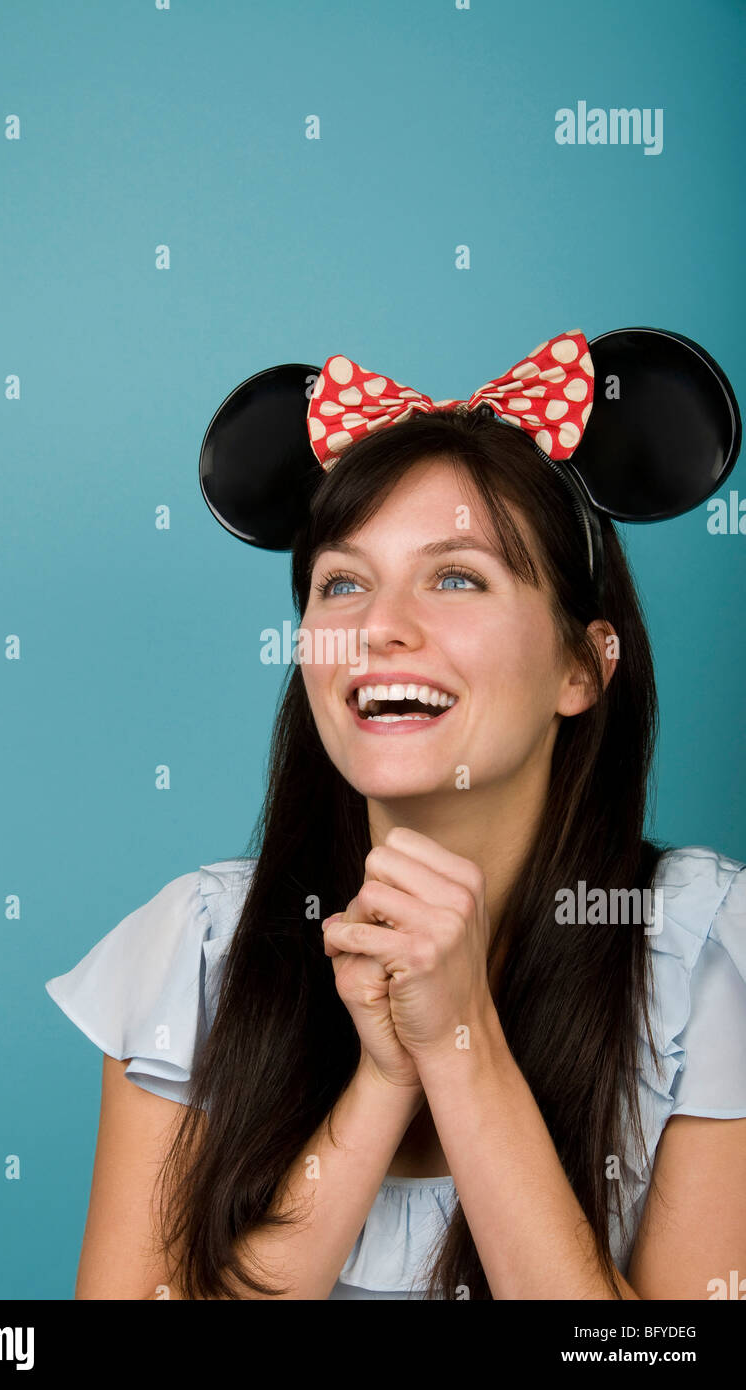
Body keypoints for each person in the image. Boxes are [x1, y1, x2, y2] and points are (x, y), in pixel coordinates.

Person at [45, 330, 746, 1300]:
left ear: (582, 664)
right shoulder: (199, 951)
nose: (379, 626)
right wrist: (380, 1085)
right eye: (342, 582)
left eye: (455, 576)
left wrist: (463, 1043)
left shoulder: (699, 949)